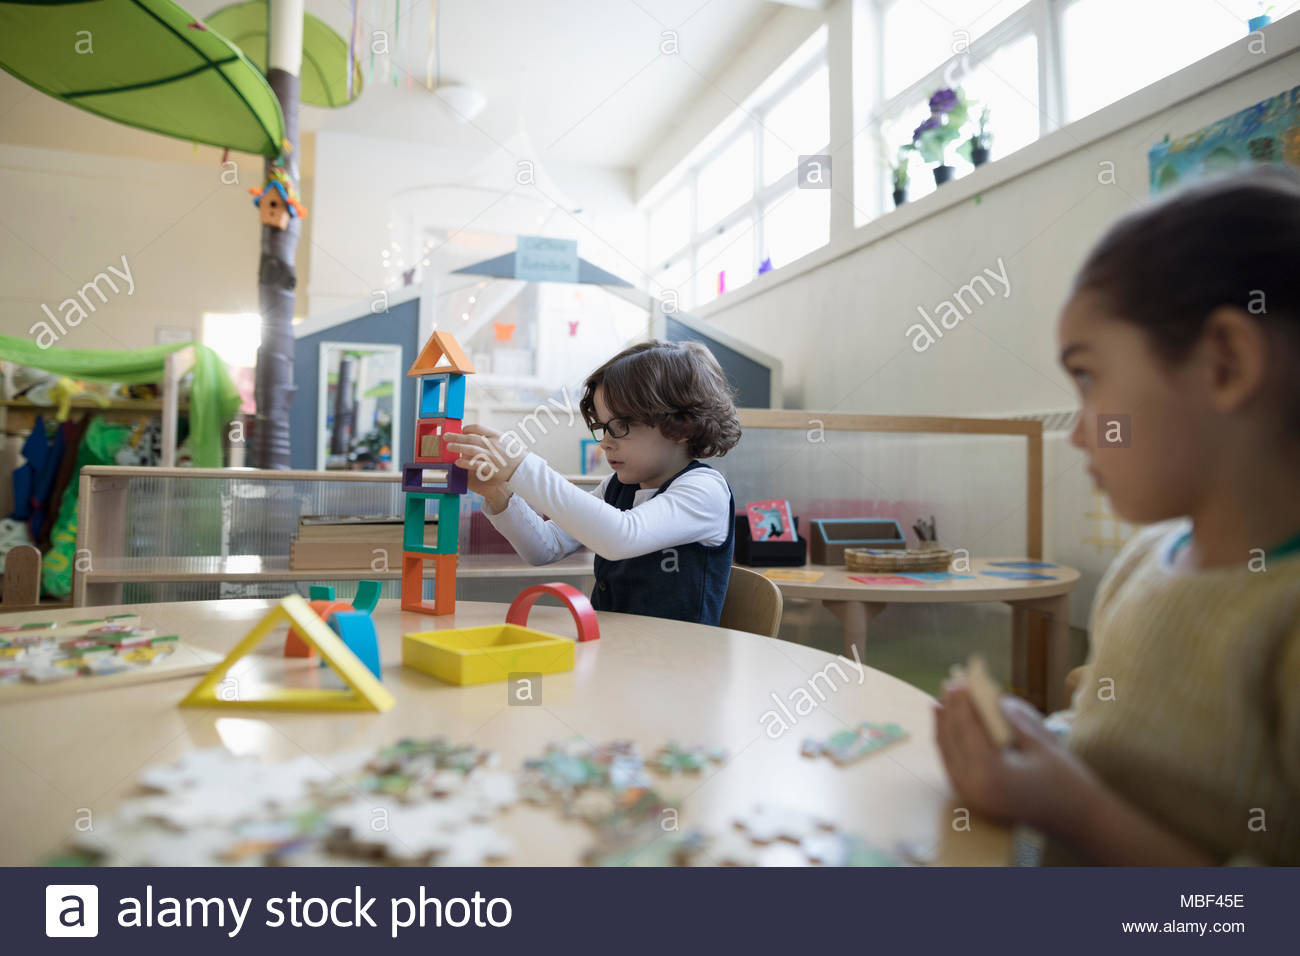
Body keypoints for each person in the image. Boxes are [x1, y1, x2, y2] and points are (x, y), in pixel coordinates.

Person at [935, 167, 1300, 865]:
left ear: (1225, 363)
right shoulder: (1145, 561)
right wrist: (1045, 739)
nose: (1076, 432)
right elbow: (1123, 745)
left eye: (1088, 377)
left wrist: (1072, 807)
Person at [445, 340, 742, 626]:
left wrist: (522, 466)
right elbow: (544, 549)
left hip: (678, 665)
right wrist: (500, 495)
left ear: (682, 427)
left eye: (620, 426)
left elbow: (621, 536)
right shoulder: (616, 487)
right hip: (618, 655)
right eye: (603, 427)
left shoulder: (704, 490)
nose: (606, 444)